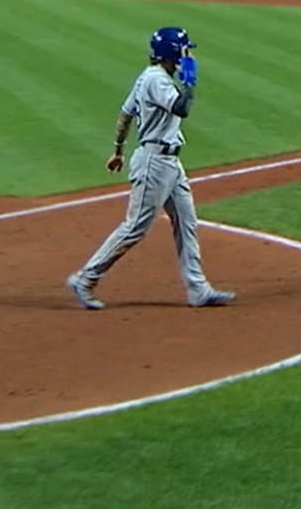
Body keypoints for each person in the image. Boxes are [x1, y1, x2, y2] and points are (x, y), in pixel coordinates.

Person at [67, 27, 235, 310]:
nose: (187, 55)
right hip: (154, 163)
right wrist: (190, 82)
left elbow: (125, 115)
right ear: (172, 53)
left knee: (186, 223)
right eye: (184, 51)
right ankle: (85, 279)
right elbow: (181, 108)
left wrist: (118, 150)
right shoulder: (157, 80)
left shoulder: (147, 77)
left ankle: (198, 289)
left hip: (169, 162)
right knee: (135, 227)